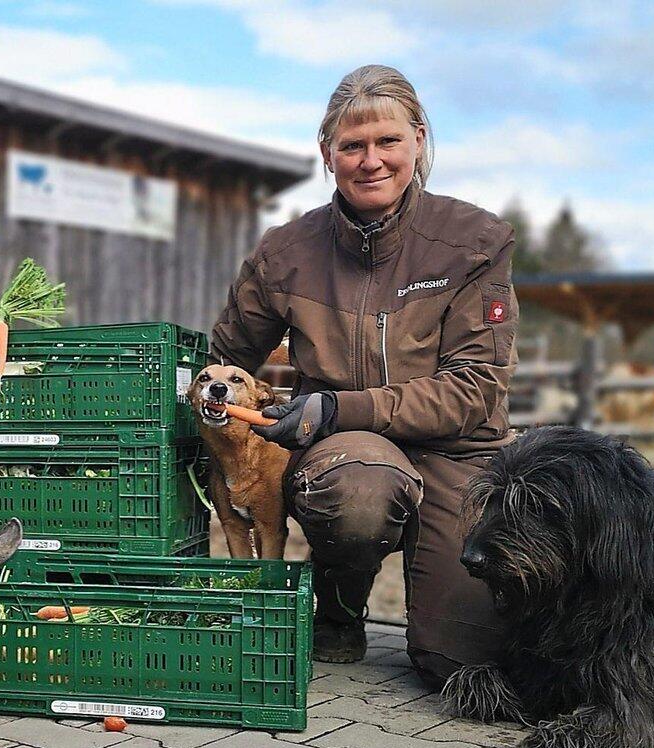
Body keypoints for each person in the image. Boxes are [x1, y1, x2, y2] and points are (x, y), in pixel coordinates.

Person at [210, 64, 518, 688]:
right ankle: (339, 605)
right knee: (357, 490)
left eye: (388, 141)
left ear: (418, 141)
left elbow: (475, 390)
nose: (370, 160)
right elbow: (225, 354)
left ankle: (443, 601)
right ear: (327, 153)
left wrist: (335, 407)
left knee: (459, 664)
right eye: (352, 145)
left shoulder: (475, 241)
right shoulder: (285, 253)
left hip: (457, 452)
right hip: (348, 454)